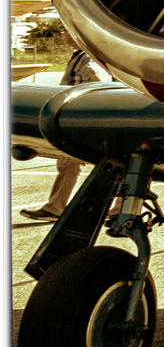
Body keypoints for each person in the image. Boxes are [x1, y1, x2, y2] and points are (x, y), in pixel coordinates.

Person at [20, 44, 110, 221]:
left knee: (70, 160)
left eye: (66, 31)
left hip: (78, 118)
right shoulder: (84, 55)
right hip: (80, 117)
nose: (64, 33)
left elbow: (97, 81)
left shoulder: (85, 56)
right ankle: (57, 207)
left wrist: (82, 104)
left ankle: (56, 208)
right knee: (70, 163)